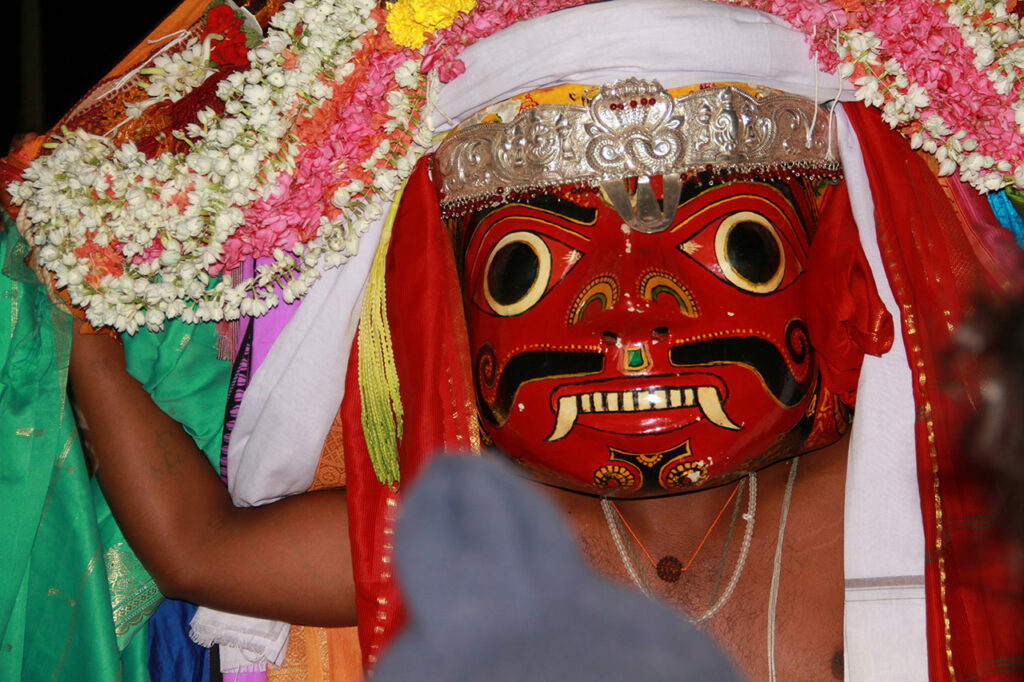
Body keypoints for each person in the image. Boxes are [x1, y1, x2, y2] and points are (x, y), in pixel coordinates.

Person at [4, 1, 1023, 680]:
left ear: (836, 283)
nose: (630, 317)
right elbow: (199, 549)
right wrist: (87, 331)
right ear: (457, 314)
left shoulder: (910, 485)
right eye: (529, 265)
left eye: (736, 246)